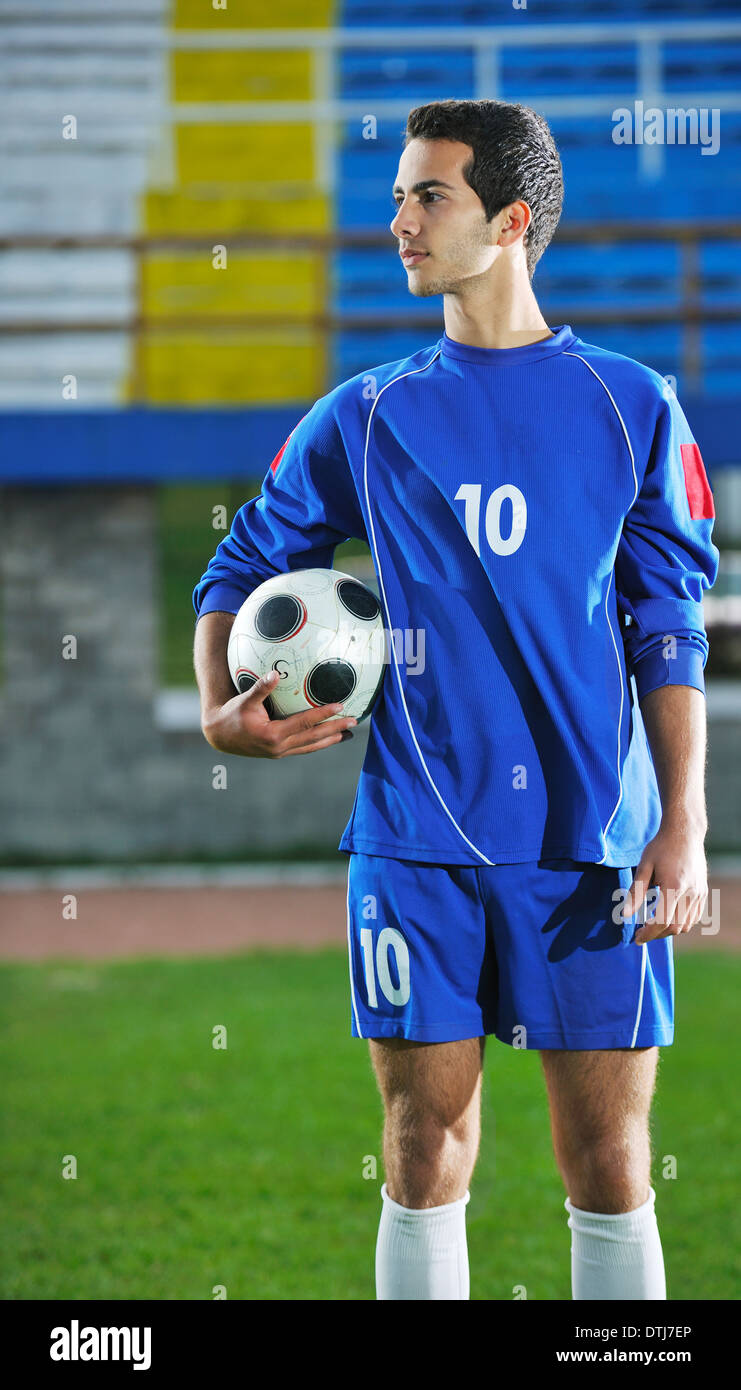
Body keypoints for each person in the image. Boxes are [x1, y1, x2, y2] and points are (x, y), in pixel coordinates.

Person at [192, 99, 718, 1300]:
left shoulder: (630, 403)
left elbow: (668, 627)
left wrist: (684, 826)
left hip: (597, 846)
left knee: (611, 1161)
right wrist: (221, 704)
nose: (399, 222)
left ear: (513, 219)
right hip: (416, 842)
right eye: (395, 197)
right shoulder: (367, 414)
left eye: (429, 196)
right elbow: (234, 567)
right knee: (424, 1152)